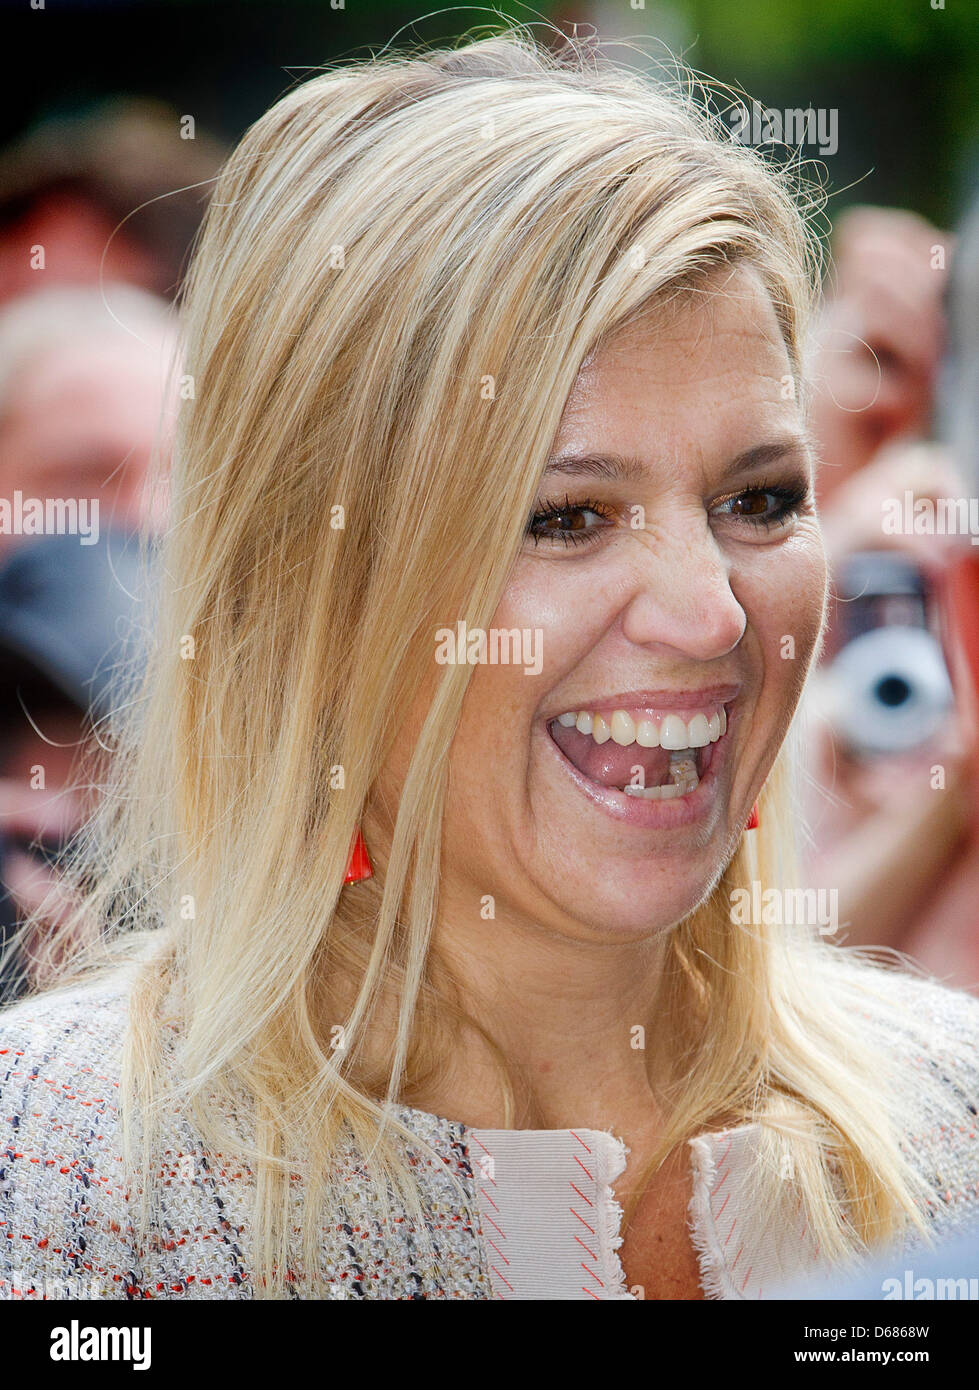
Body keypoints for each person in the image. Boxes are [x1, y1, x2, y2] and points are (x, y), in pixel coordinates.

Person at [0, 28, 977, 1302]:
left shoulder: (951, 1125)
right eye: (563, 516)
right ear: (307, 578)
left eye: (759, 498)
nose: (708, 616)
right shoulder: (60, 1185)